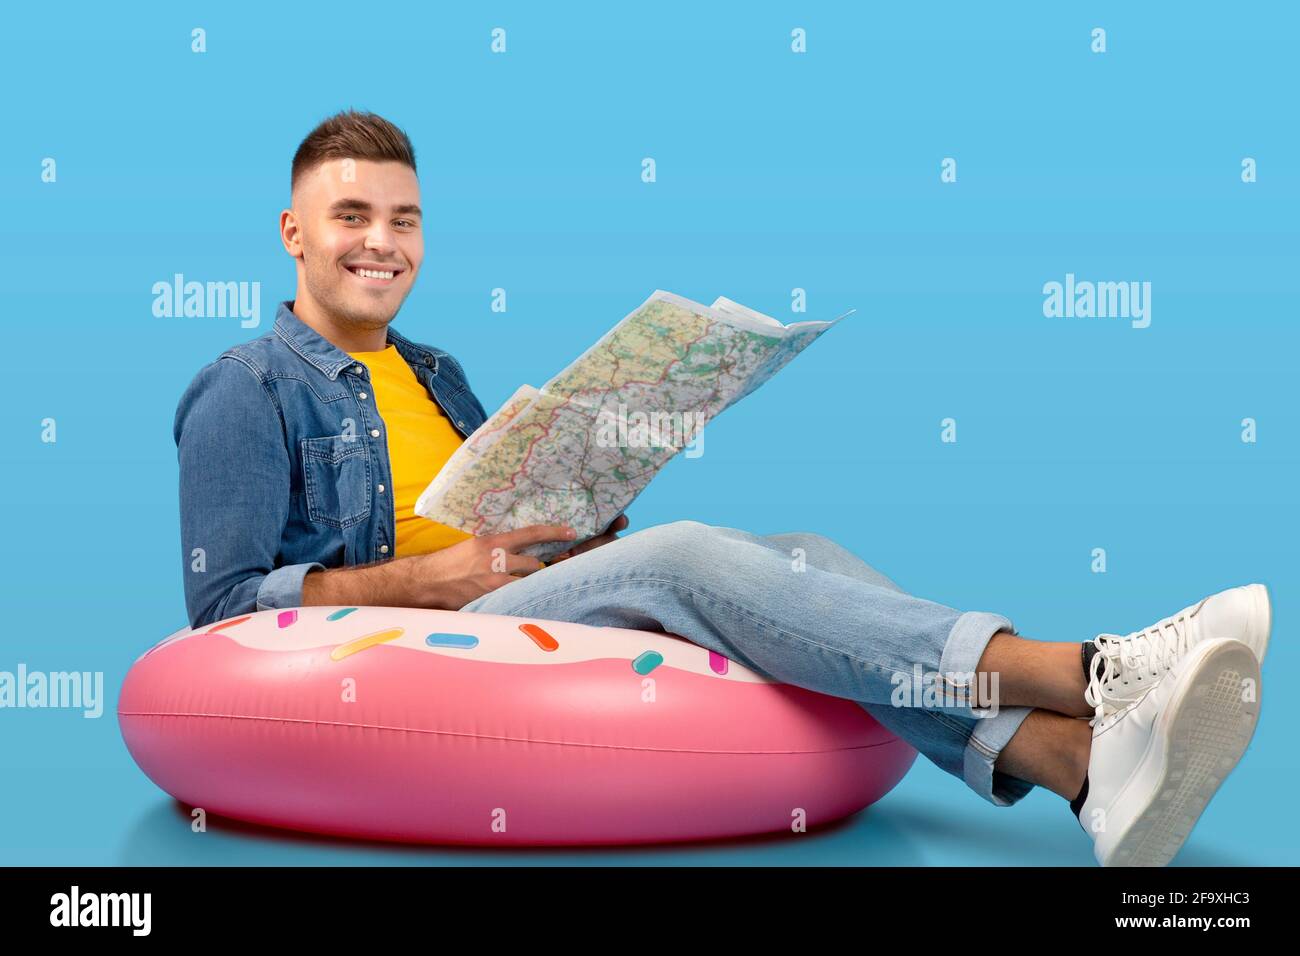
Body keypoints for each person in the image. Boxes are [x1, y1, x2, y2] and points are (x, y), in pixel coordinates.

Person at [174, 110, 1269, 867]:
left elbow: (492, 523)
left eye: (403, 219)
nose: (381, 242)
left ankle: (1077, 768)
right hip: (416, 638)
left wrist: (582, 511)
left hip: (514, 603)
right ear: (294, 235)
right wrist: (426, 578)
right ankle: (1092, 671)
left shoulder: (436, 372)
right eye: (351, 217)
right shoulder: (245, 386)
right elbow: (222, 612)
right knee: (688, 552)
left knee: (793, 548)